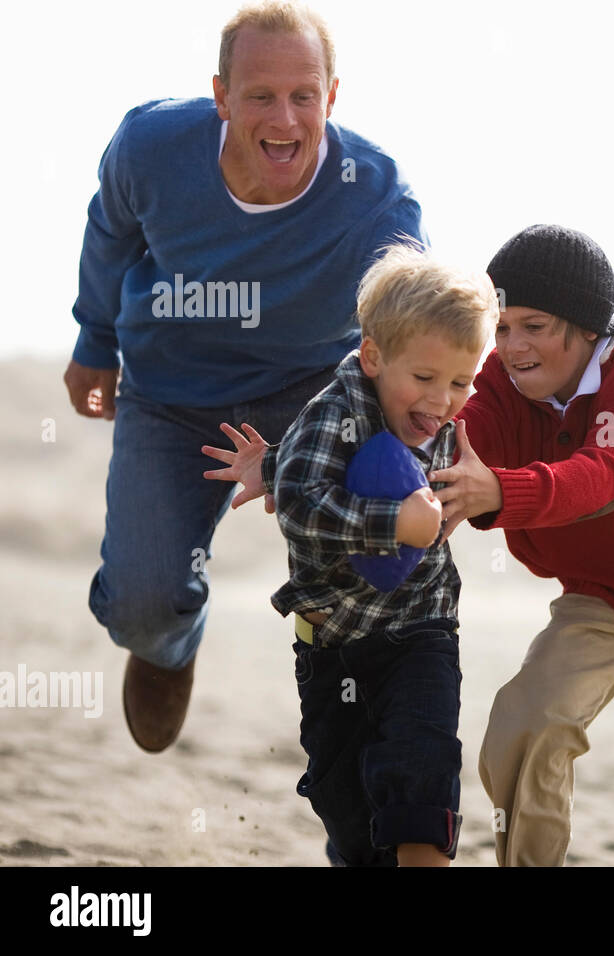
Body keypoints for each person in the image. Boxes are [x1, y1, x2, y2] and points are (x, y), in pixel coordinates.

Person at [206, 225, 614, 866]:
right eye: (503, 326)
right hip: (607, 599)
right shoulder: (499, 384)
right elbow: (420, 432)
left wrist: (501, 492)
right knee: (525, 726)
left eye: (534, 327)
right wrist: (289, 466)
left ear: (587, 329)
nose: (512, 346)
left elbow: (606, 479)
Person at [66, 1, 424, 753]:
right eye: (260, 94)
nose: (284, 118)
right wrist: (95, 340)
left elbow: (416, 328)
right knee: (142, 605)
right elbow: (110, 234)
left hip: (310, 398)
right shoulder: (151, 148)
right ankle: (168, 642)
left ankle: (366, 688)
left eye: (303, 96)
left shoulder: (376, 198)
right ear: (222, 95)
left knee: (389, 519)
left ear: (331, 97)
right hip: (173, 398)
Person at [270, 243, 496, 866]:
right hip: (333, 644)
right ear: (373, 356)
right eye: (424, 378)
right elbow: (300, 505)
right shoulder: (335, 412)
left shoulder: (443, 422)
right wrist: (393, 521)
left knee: (423, 765)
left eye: (460, 382)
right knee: (346, 805)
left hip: (420, 631)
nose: (442, 401)